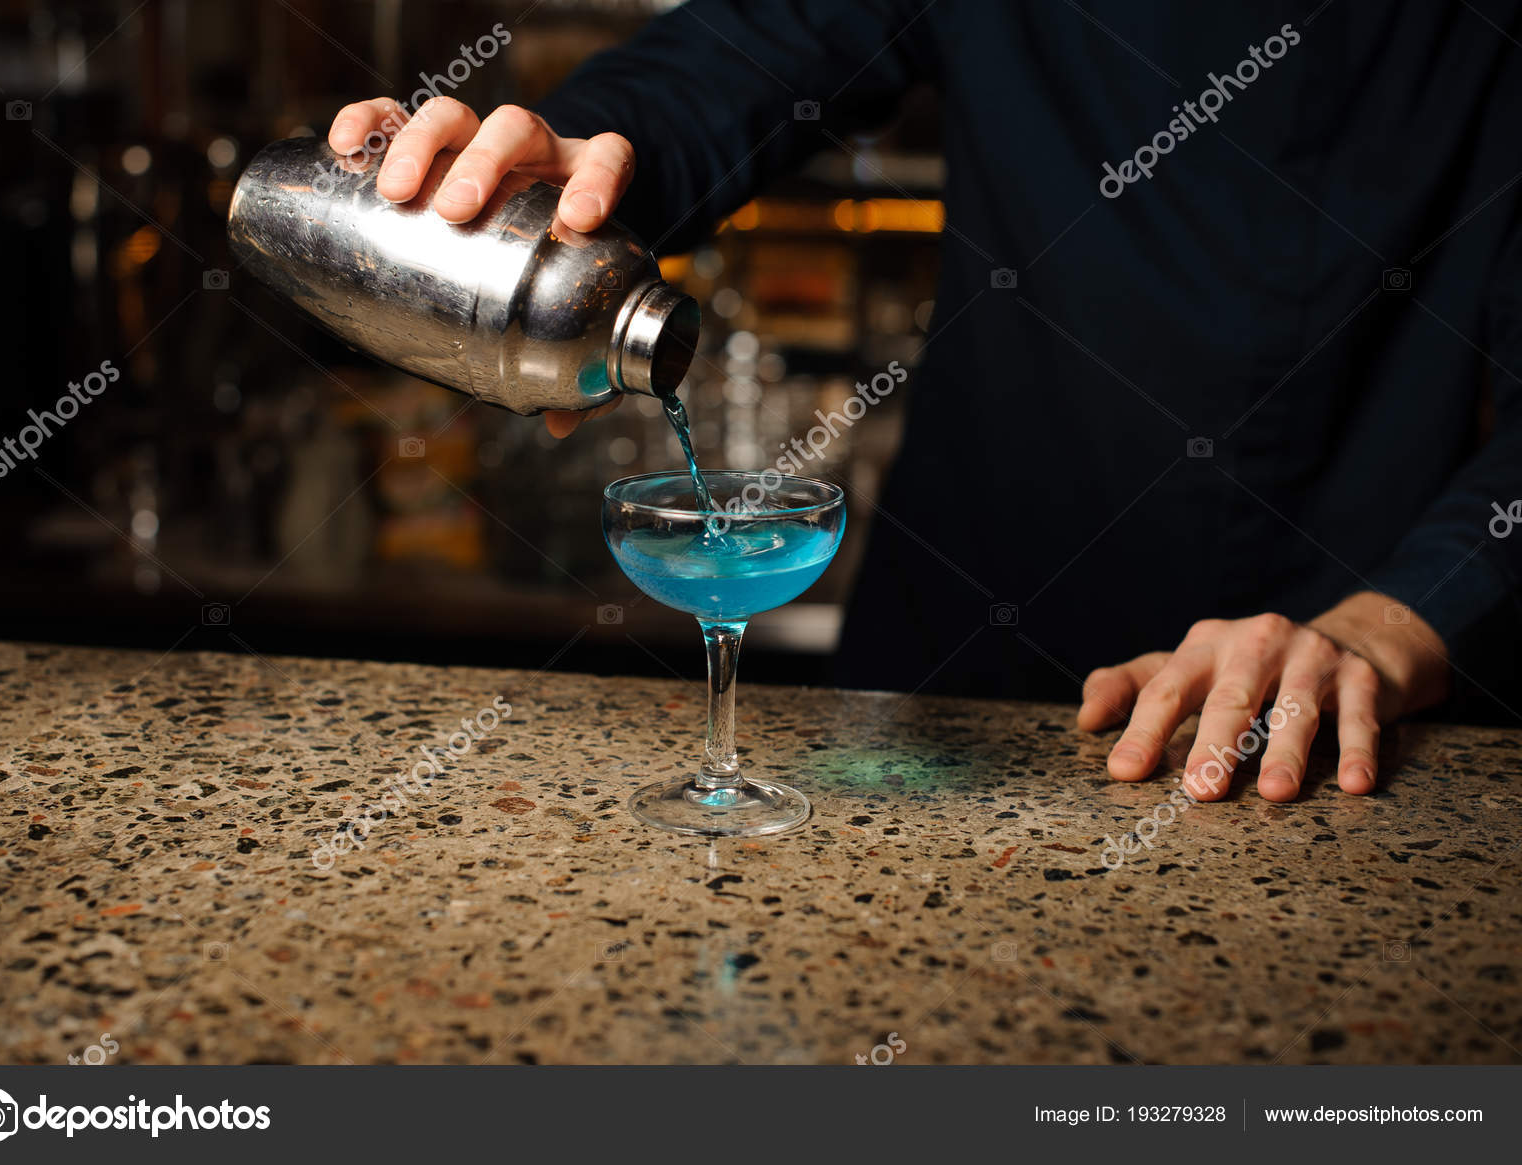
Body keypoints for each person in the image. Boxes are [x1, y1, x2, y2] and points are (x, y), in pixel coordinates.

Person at [326, 1, 1522, 805]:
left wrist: (1398, 619)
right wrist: (593, 162)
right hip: (951, 673)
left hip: (1326, 714)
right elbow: (750, 46)